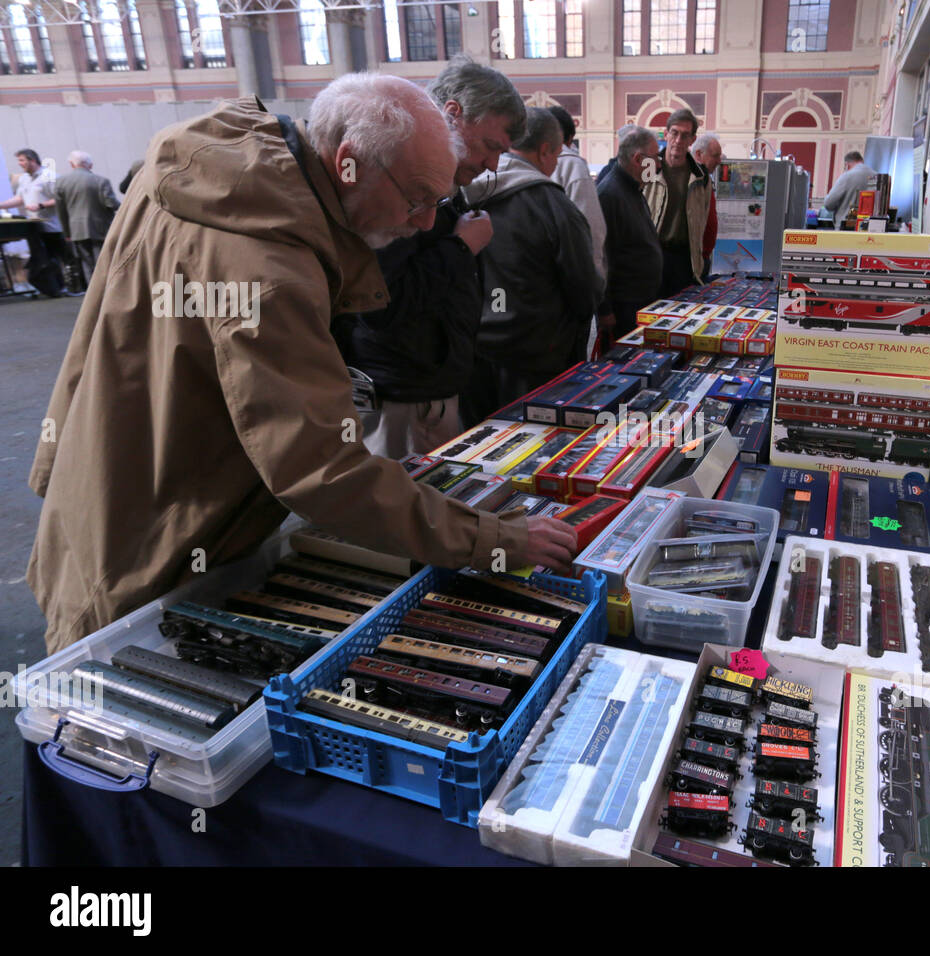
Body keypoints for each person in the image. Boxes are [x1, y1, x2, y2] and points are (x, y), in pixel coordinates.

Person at [27, 73, 576, 654]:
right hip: (152, 540)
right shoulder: (267, 267)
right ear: (348, 163)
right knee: (104, 695)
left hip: (102, 485)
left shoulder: (225, 168)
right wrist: (494, 539)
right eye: (416, 199)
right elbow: (321, 471)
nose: (421, 222)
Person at [333, 54, 525, 458]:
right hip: (402, 392)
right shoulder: (402, 173)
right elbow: (381, 302)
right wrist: (460, 247)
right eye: (490, 146)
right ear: (453, 115)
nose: (492, 164)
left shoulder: (441, 184)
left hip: (424, 385)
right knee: (404, 509)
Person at [460, 108, 601, 424]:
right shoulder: (555, 206)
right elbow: (584, 288)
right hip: (537, 360)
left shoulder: (467, 192)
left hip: (475, 355)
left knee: (480, 449)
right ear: (545, 150)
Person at [596, 126, 663, 341]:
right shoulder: (610, 194)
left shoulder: (633, 188)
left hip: (640, 301)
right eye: (655, 158)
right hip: (623, 307)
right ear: (638, 159)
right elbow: (601, 256)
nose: (659, 164)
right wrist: (605, 310)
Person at [642, 108, 712, 297]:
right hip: (652, 257)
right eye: (675, 133)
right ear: (666, 134)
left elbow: (704, 220)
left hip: (684, 260)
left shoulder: (701, 176)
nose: (679, 141)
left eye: (685, 135)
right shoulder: (648, 168)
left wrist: (701, 260)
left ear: (692, 140)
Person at [548, 104, 606, 283]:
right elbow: (591, 232)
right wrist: (596, 289)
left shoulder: (504, 163)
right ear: (570, 139)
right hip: (564, 282)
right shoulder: (572, 166)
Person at [1, 148, 67, 296]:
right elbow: (20, 199)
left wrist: (41, 205)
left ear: (32, 160)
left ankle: (67, 287)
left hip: (53, 226)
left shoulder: (49, 176)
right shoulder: (24, 179)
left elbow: (59, 199)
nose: (20, 164)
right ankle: (53, 288)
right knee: (44, 259)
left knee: (58, 257)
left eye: (22, 160)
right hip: (36, 226)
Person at [53, 150, 119, 286]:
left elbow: (60, 210)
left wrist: (67, 233)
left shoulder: (60, 182)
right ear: (90, 165)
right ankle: (109, 290)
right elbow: (111, 204)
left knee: (87, 263)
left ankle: (93, 295)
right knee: (105, 262)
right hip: (101, 228)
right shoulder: (101, 181)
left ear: (71, 164)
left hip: (76, 229)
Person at [691, 131, 723, 277]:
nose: (719, 161)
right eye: (715, 156)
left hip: (703, 257)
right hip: (693, 259)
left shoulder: (705, 179)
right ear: (698, 154)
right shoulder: (692, 181)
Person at [820, 150, 877, 228]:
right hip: (869, 225)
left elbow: (829, 203)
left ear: (847, 164)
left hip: (847, 224)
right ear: (862, 161)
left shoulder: (847, 176)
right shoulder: (876, 176)